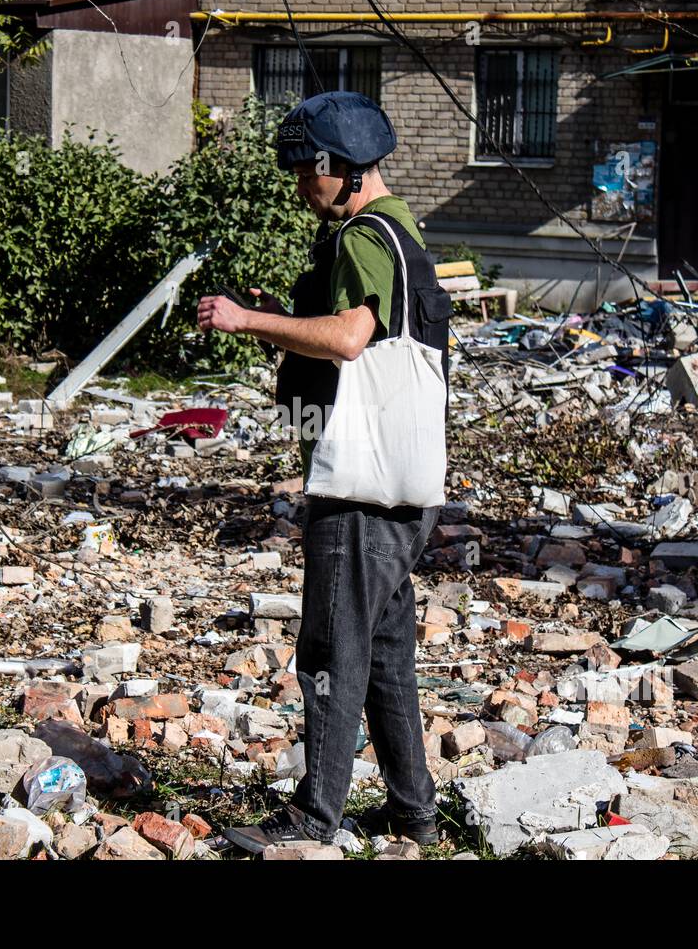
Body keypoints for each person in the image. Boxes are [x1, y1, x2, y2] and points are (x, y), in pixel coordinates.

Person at [197, 91, 450, 854]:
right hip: (408, 483)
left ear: (336, 169)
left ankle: (313, 817)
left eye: (304, 169)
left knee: (331, 651)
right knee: (382, 656)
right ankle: (415, 814)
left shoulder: (362, 238)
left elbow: (347, 339)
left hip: (361, 488)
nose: (298, 184)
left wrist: (247, 318)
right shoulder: (404, 229)